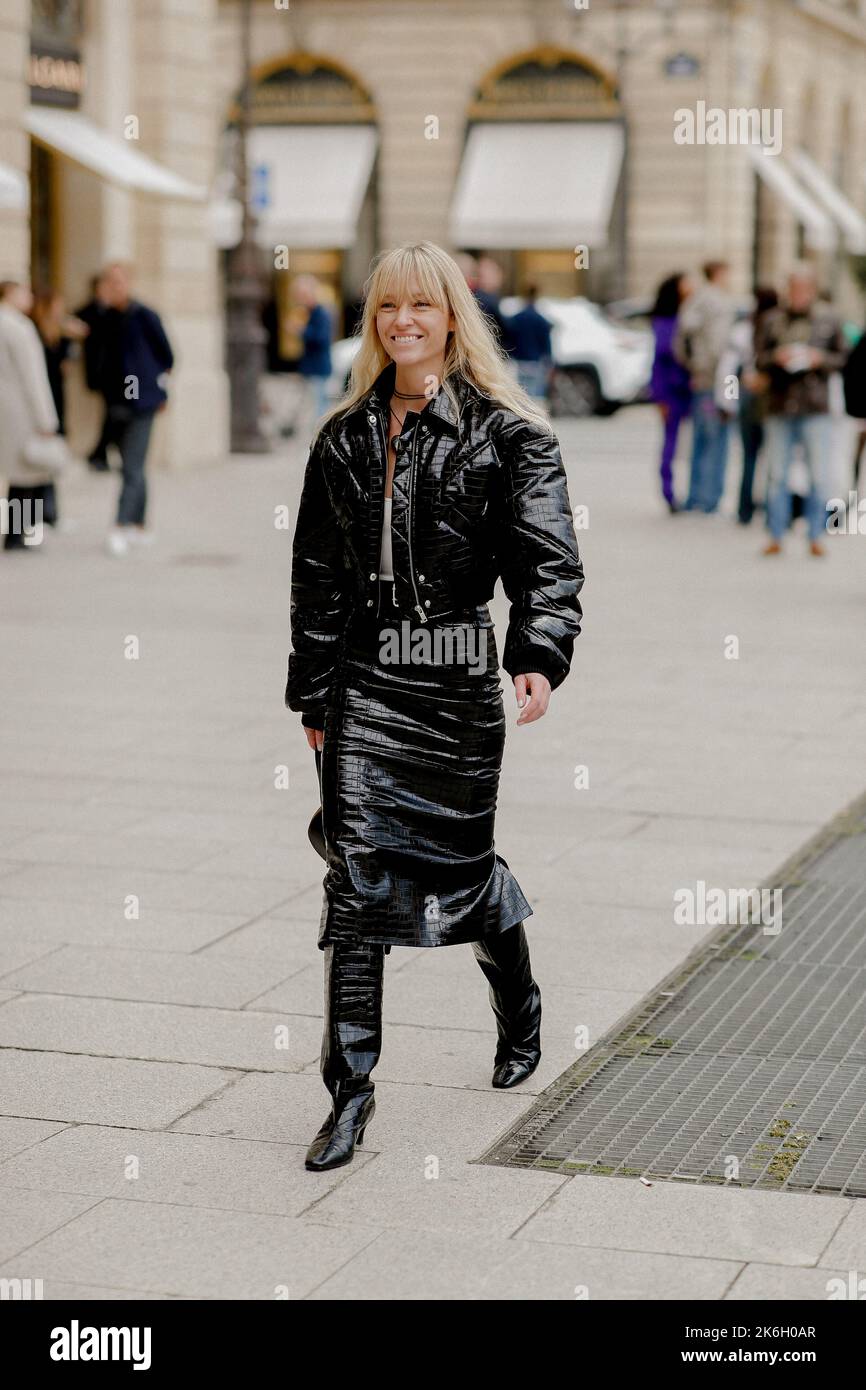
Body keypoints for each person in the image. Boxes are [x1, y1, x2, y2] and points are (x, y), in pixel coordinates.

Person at [286, 241, 584, 1171]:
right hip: (366, 677)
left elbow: (549, 562)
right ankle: (352, 1091)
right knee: (357, 879)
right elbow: (317, 575)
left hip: (455, 673)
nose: (402, 322)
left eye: (421, 306)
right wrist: (313, 692)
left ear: (453, 315)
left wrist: (538, 653)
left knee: (461, 872)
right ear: (373, 323)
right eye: (385, 309)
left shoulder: (511, 434)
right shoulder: (343, 435)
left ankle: (520, 1004)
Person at [755, 263, 848, 557]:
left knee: (819, 475)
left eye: (804, 289)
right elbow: (757, 359)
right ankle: (776, 534)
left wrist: (819, 359)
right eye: (794, 288)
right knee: (776, 475)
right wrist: (776, 358)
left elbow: (843, 358)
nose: (798, 294)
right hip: (780, 404)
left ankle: (816, 535)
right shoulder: (773, 320)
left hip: (815, 404)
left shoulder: (829, 319)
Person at [88, 263, 174, 556]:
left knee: (132, 466)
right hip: (117, 403)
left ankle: (120, 524)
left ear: (129, 283)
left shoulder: (145, 316)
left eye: (119, 281)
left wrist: (158, 389)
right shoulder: (105, 317)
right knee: (132, 466)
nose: (114, 287)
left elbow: (167, 355)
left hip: (143, 401)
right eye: (109, 282)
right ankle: (139, 524)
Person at [0, 280, 60, 551]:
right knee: (26, 475)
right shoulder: (18, 327)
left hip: (7, 409)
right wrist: (46, 419)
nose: (29, 297)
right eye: (23, 292)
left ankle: (16, 533)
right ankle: (18, 535)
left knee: (16, 473)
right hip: (21, 410)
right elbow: (33, 377)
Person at [674, 260, 737, 513]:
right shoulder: (717, 302)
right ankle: (709, 498)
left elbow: (682, 337)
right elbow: (718, 343)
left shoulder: (695, 300)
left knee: (701, 439)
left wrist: (691, 364)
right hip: (715, 378)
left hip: (702, 376)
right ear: (719, 273)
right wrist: (711, 366)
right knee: (715, 439)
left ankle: (696, 496)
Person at [715, 287, 778, 525]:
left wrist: (727, 400)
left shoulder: (744, 329)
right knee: (773, 456)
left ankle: (745, 510)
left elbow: (728, 368)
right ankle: (773, 511)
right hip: (770, 398)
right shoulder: (773, 328)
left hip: (750, 396)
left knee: (750, 456)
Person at [649, 272, 693, 512]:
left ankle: (690, 494)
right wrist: (660, 396)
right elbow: (660, 360)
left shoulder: (686, 315)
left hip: (687, 388)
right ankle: (669, 492)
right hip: (672, 391)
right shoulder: (666, 322)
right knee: (671, 443)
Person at [31, 289, 88, 436]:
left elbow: (78, 340)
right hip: (42, 384)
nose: (60, 309)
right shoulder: (34, 331)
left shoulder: (62, 331)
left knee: (59, 423)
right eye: (57, 305)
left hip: (57, 384)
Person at [292, 274, 333, 424]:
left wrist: (302, 330)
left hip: (318, 368)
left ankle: (320, 437)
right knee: (311, 405)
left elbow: (321, 338)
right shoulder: (311, 313)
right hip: (311, 367)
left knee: (318, 406)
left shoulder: (321, 313)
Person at [506, 285, 554, 401]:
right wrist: (549, 363)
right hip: (535, 363)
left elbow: (509, 341)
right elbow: (546, 345)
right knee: (535, 397)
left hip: (520, 362)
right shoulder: (541, 320)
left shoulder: (516, 319)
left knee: (522, 396)